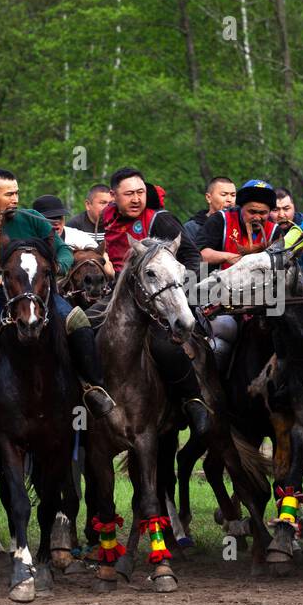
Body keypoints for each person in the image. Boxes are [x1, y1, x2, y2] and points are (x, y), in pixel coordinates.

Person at [0, 169, 116, 431]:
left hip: (44, 296)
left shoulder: (33, 220)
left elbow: (62, 249)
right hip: (1, 299)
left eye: (17, 192)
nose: (15, 199)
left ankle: (93, 387)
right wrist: (2, 280)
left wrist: (58, 266)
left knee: (79, 321)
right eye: (9, 194)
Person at [97, 166, 210, 434]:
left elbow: (194, 259)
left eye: (140, 192)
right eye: (129, 194)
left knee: (165, 347)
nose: (136, 199)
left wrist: (175, 289)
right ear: (113, 196)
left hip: (160, 303)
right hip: (118, 299)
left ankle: (192, 400)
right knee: (84, 331)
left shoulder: (161, 219)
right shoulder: (107, 220)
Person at [197, 179, 283, 269]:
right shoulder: (221, 220)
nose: (257, 218)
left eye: (263, 213)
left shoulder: (275, 231)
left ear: (269, 212)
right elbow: (200, 254)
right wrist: (228, 257)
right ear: (241, 207)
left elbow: (282, 267)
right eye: (252, 212)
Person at [32, 193, 114, 276]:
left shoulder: (78, 237)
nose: (56, 222)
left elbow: (99, 255)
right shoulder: (28, 240)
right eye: (50, 218)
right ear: (36, 221)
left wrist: (105, 261)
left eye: (59, 217)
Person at [183, 177, 236, 247]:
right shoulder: (192, 228)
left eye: (233, 195)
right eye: (224, 195)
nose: (229, 200)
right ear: (208, 198)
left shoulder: (240, 225)